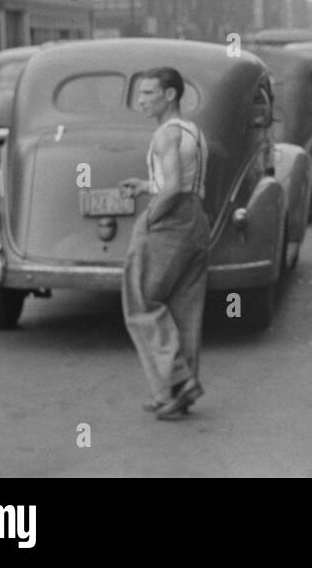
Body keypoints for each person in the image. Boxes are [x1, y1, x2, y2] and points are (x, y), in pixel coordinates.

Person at [119, 67, 211, 420]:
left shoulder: (165, 134)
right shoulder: (193, 132)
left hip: (170, 220)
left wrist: (151, 217)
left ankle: (178, 379)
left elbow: (172, 187)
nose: (141, 101)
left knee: (140, 300)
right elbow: (184, 181)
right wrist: (146, 186)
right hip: (195, 219)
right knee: (184, 308)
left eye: (148, 93)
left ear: (170, 95)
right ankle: (172, 395)